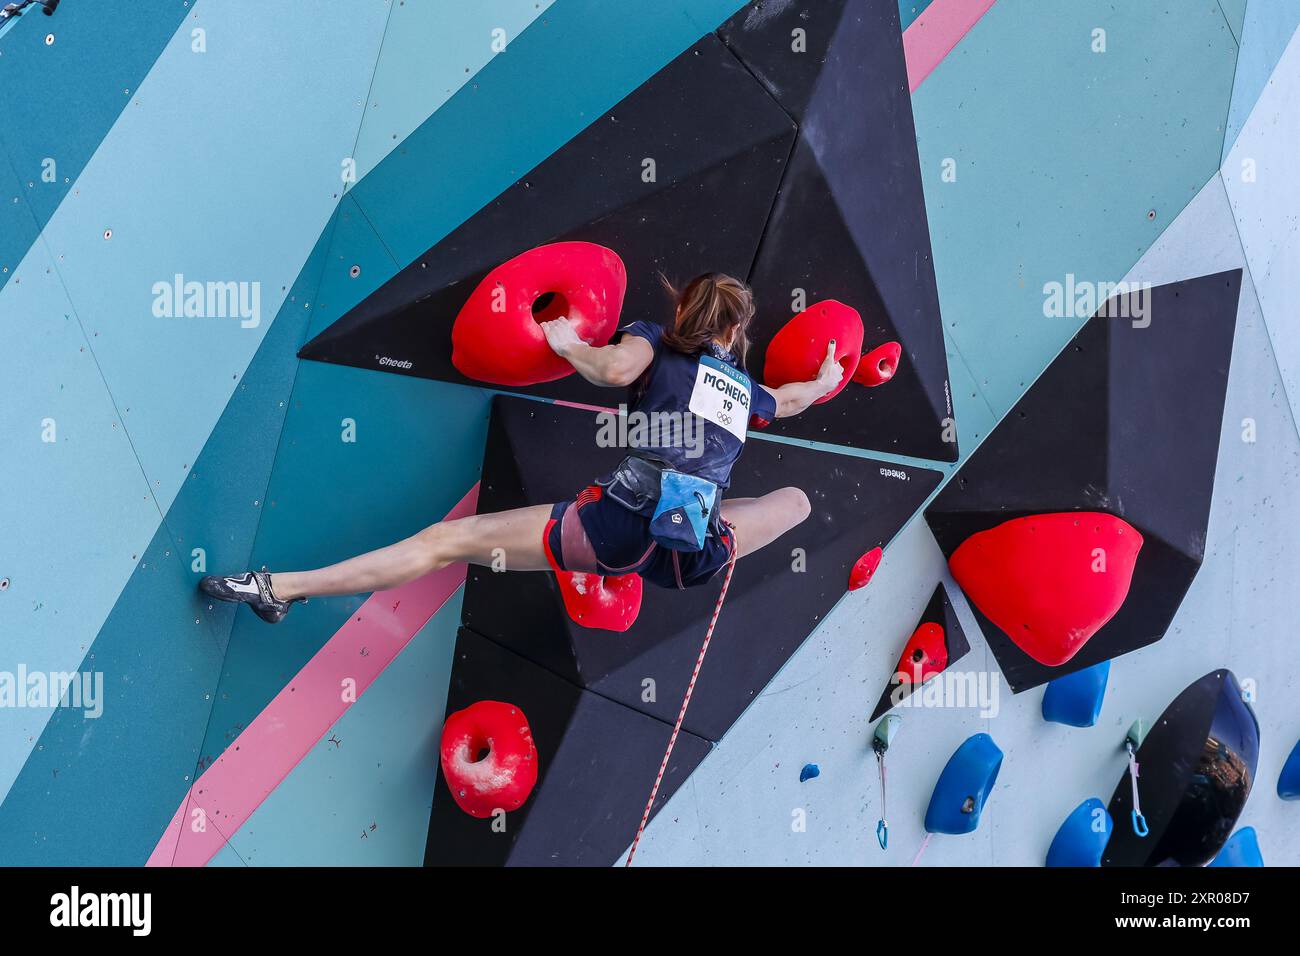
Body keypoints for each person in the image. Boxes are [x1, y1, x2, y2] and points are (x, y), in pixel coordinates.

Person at [199, 273, 844, 622]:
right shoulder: (746, 388)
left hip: (611, 531)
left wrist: (564, 341)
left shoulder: (657, 344)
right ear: (733, 332)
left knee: (443, 544)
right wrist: (824, 379)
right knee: (794, 503)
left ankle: (282, 587)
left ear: (683, 314)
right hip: (689, 556)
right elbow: (789, 401)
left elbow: (613, 371)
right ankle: (705, 527)